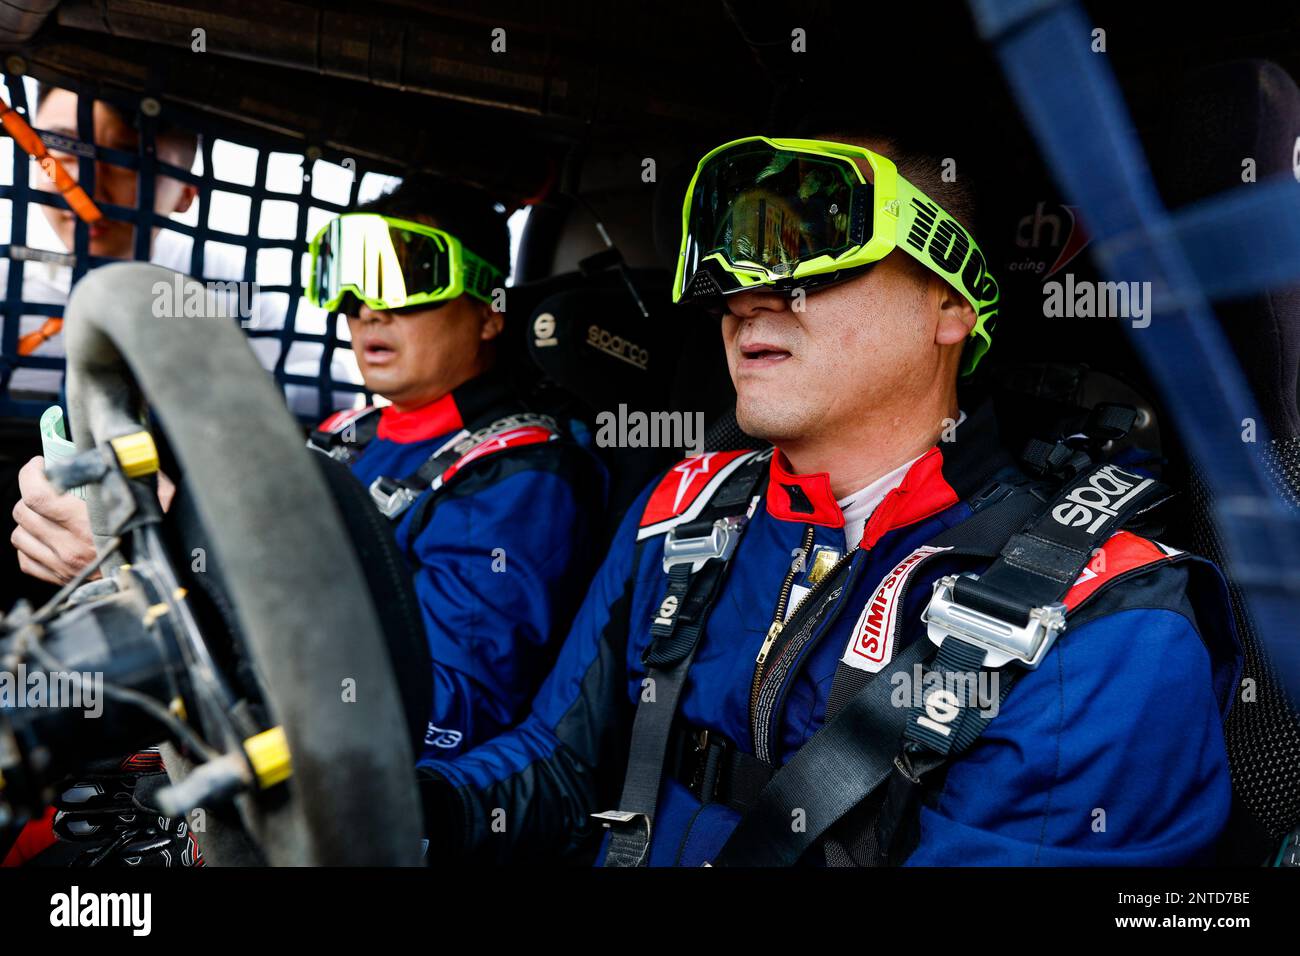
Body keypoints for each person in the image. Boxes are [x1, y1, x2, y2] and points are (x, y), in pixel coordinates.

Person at [413, 134, 1241, 866]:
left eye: (809, 244)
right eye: (731, 255)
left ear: (950, 301)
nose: (746, 295)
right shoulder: (684, 510)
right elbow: (555, 767)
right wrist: (410, 818)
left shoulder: (1104, 621)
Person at [305, 177, 607, 764]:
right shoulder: (343, 435)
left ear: (489, 313)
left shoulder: (520, 477)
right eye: (354, 282)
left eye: (407, 279)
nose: (370, 309)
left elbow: (445, 713)